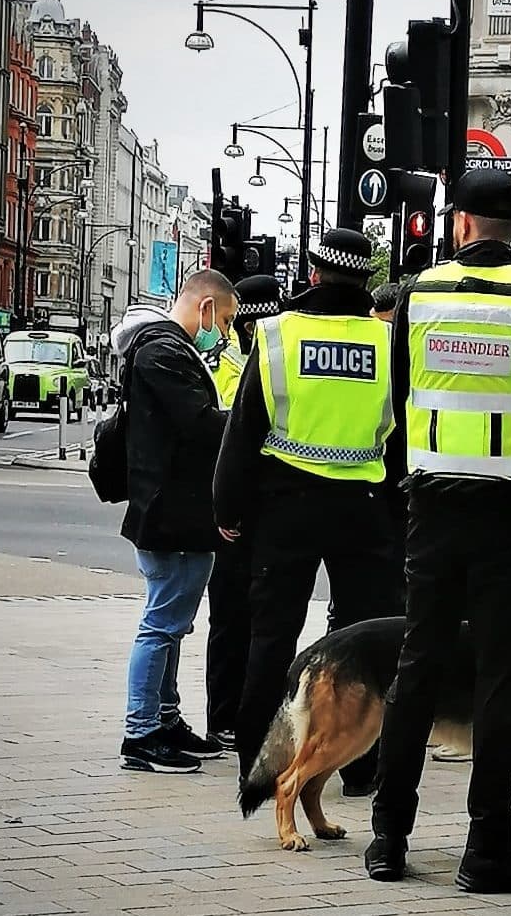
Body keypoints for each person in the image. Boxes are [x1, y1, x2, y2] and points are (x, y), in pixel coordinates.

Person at [365, 169, 511, 894]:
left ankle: (389, 839)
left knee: (417, 667)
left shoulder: (419, 292)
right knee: (500, 677)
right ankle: (486, 849)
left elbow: (401, 391)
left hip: (432, 502)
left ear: (460, 223)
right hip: (507, 510)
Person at [215, 228, 400, 797]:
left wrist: (229, 506)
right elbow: (402, 441)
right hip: (363, 510)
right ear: (366, 280)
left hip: (284, 508)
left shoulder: (276, 335)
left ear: (314, 274)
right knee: (363, 637)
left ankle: (259, 762)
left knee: (271, 638)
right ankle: (363, 766)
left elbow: (244, 432)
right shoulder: (389, 343)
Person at [113, 270, 238, 774]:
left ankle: (165, 719)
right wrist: (250, 417)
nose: (225, 331)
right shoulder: (161, 351)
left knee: (173, 623)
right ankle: (141, 733)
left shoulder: (168, 348)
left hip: (179, 508)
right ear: (205, 306)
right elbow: (199, 423)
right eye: (224, 319)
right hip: (167, 508)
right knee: (162, 623)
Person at [203, 274, 283, 752]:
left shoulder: (255, 355)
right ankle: (224, 715)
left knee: (256, 621)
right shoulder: (229, 359)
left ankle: (245, 713)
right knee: (233, 618)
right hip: (237, 508)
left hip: (260, 507)